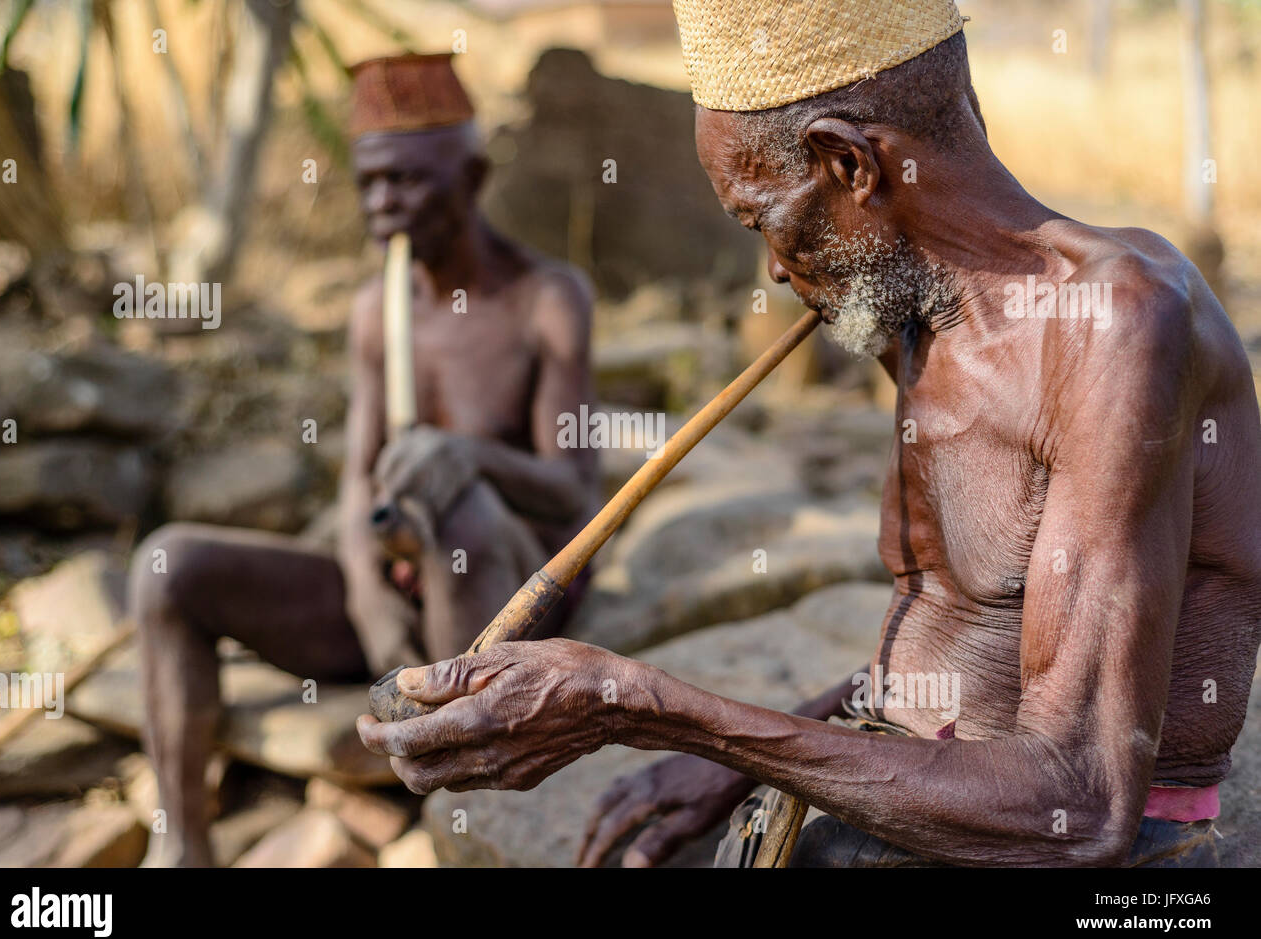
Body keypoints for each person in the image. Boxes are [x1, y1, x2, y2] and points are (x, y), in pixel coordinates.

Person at [356, 4, 1261, 867]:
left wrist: (638, 703)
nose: (774, 270)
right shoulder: (913, 320)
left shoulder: (1114, 324)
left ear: (850, 167)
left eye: (763, 218)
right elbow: (943, 653)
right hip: (918, 805)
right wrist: (734, 757)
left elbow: (1081, 804)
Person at [132, 52, 598, 867]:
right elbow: (357, 482)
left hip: (504, 599)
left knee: (463, 507)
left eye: (407, 183)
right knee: (165, 565)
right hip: (388, 602)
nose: (380, 205)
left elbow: (572, 493)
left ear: (474, 176)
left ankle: (464, 829)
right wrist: (363, 586)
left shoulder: (546, 299)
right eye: (368, 182)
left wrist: (467, 458)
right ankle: (183, 847)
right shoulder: (373, 312)